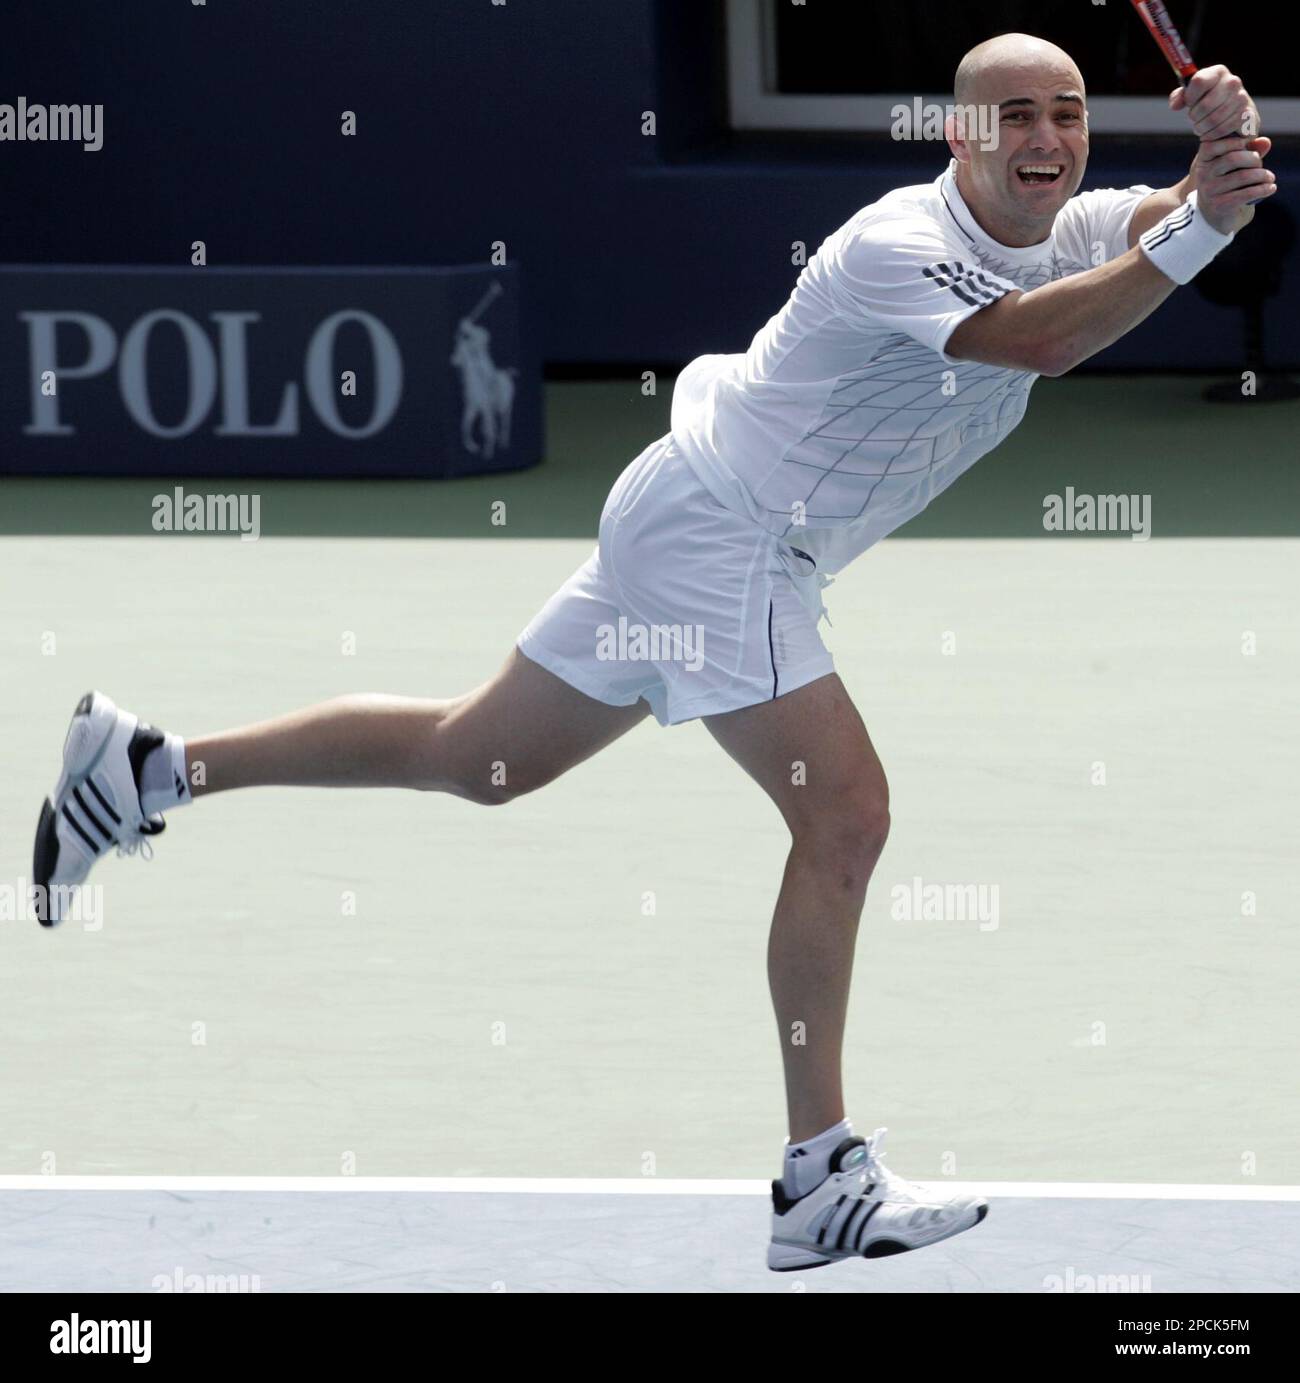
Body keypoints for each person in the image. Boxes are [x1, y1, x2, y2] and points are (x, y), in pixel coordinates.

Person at [34, 35, 1271, 1272]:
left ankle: (147, 767)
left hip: (695, 509)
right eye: (1012, 117)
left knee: (479, 760)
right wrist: (1199, 226)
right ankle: (819, 1178)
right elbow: (1041, 341)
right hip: (726, 533)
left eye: (1064, 115)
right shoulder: (898, 244)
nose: (1044, 139)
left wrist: (1211, 162)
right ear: (957, 136)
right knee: (844, 816)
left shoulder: (1078, 216)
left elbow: (1147, 226)